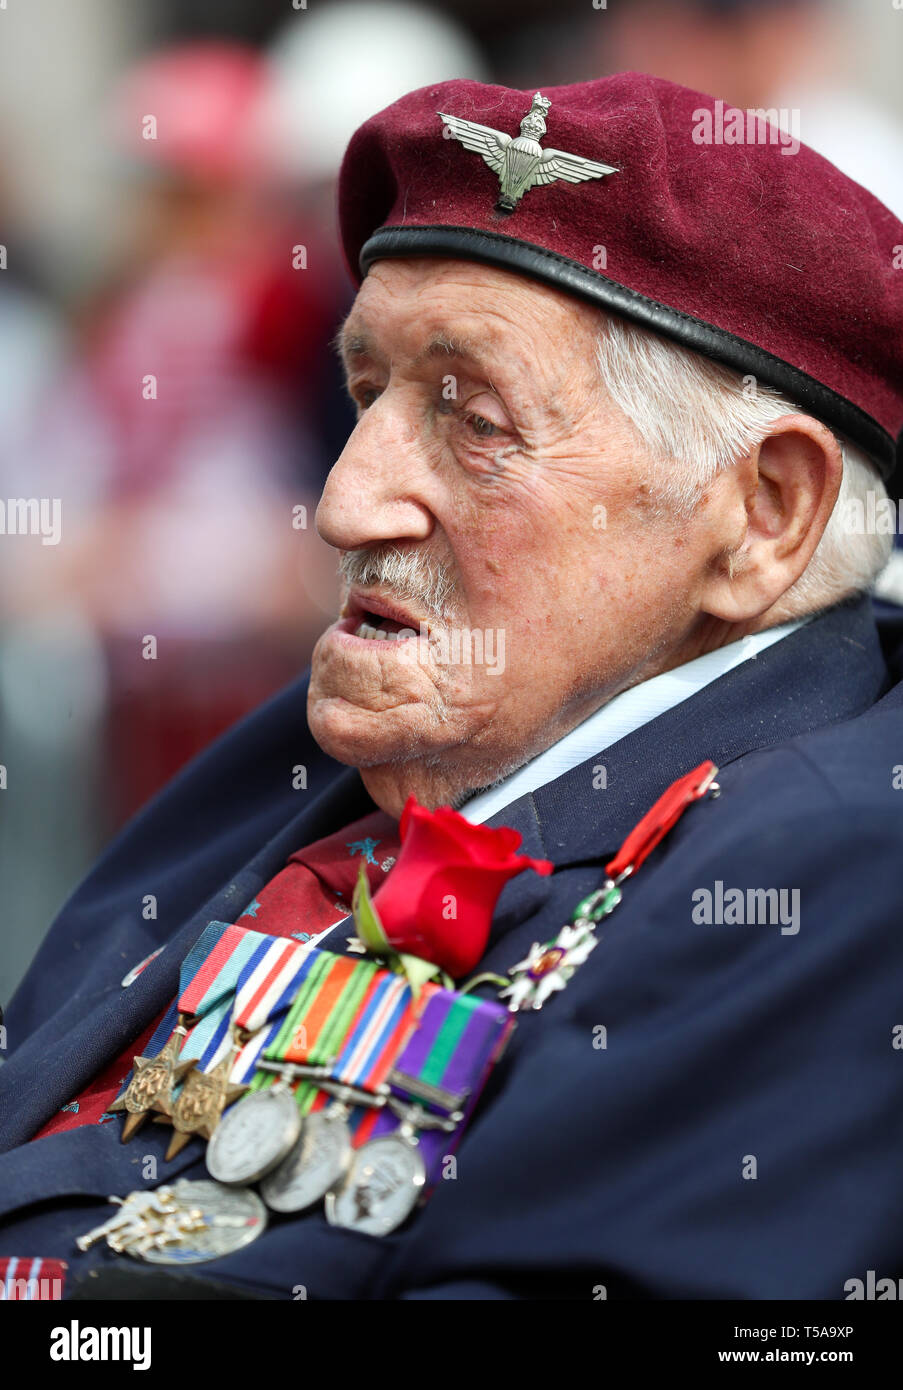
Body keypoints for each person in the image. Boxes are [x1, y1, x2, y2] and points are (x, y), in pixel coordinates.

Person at [1, 72, 902, 1301]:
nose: (343, 503)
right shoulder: (341, 746)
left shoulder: (835, 865)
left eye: (473, 419)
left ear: (763, 515)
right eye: (366, 392)